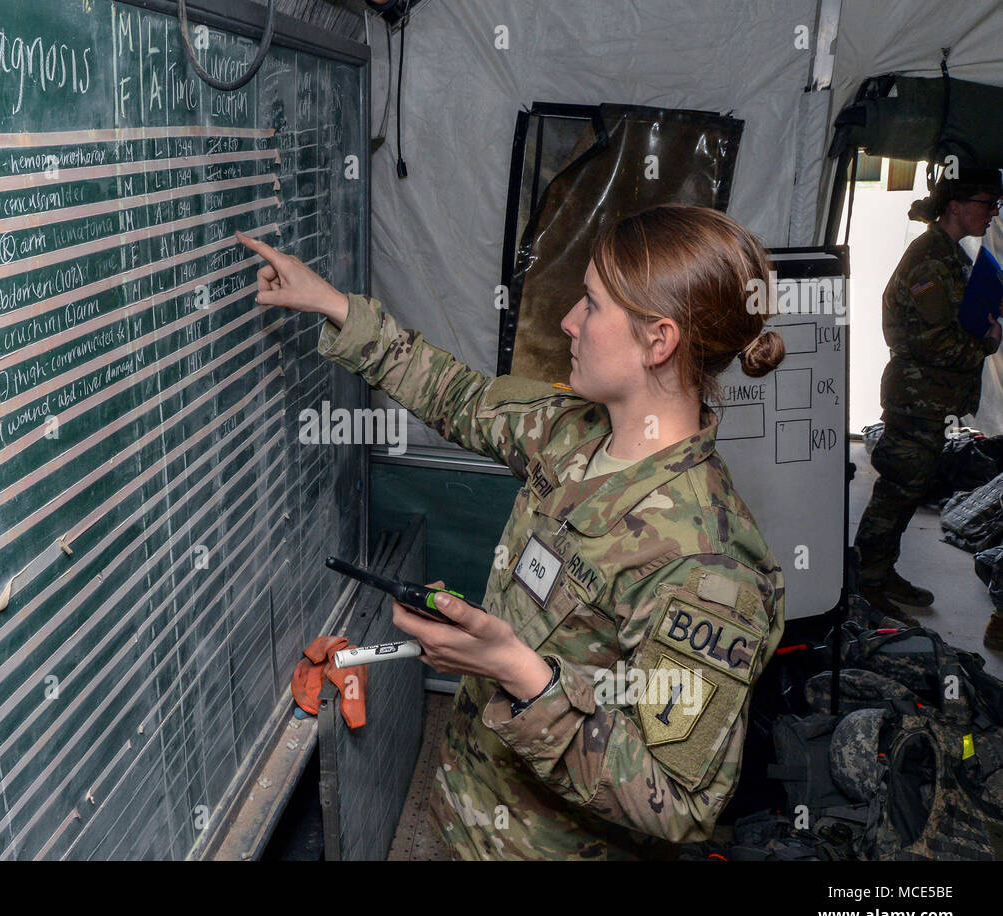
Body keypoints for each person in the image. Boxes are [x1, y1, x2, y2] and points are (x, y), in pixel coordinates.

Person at [238, 204, 786, 860]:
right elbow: (459, 397)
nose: (568, 322)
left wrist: (520, 674)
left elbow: (677, 803)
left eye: (590, 304)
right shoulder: (572, 431)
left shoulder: (710, 563)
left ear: (658, 340)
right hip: (465, 814)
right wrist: (331, 303)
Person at [853, 167, 1003, 630]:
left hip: (931, 397)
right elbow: (931, 342)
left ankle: (881, 572)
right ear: (955, 206)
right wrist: (988, 341)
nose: (993, 212)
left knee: (908, 488)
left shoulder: (951, 254)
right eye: (985, 202)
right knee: (897, 491)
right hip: (917, 397)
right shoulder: (931, 260)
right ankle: (866, 584)